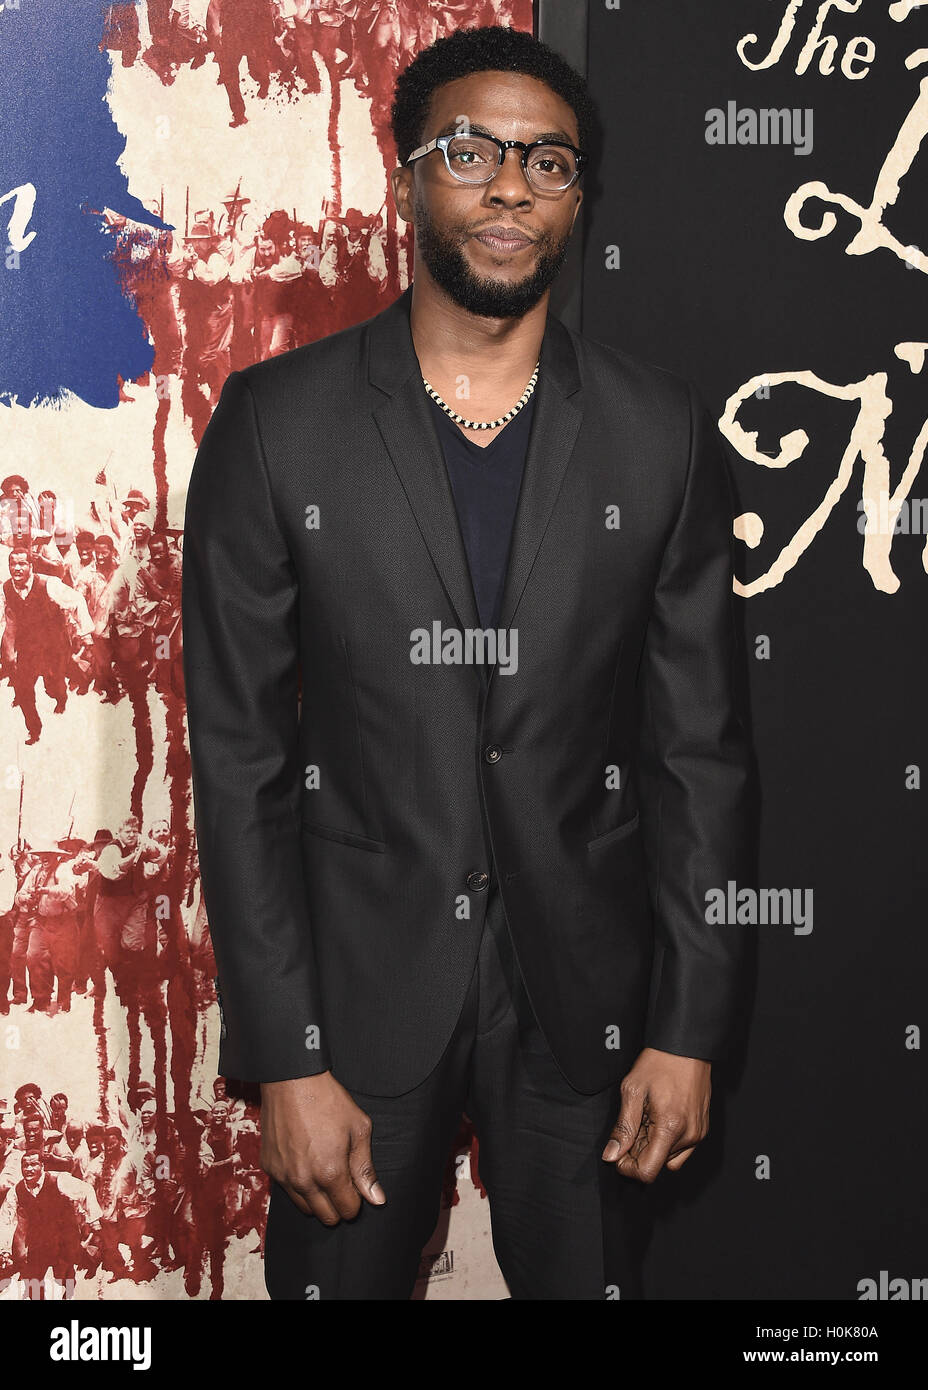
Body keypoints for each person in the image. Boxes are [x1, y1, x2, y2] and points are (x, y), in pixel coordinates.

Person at [182, 25, 759, 1300]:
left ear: (578, 199)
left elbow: (698, 755)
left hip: (590, 1013)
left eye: (547, 160)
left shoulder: (656, 436)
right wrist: (285, 1053)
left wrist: (685, 1028)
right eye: (472, 151)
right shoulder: (279, 428)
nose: (510, 184)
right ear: (408, 176)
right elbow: (238, 760)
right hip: (354, 1013)